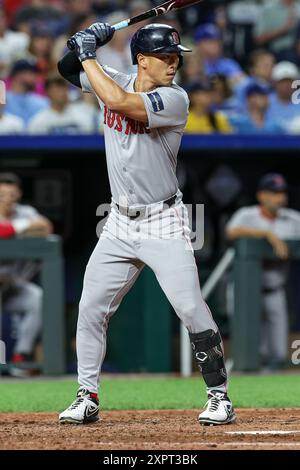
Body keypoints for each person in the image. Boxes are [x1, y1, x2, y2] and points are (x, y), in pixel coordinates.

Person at [57, 22, 235, 426]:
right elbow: (67, 71)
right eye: (165, 56)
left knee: (190, 307)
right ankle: (87, 396)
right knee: (90, 308)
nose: (174, 63)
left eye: (176, 57)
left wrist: (89, 53)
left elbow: (118, 102)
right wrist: (91, 38)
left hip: (163, 220)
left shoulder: (174, 99)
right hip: (118, 221)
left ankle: (219, 396)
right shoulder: (115, 77)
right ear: (142, 59)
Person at [226, 173, 300, 369]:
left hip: (275, 288)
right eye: (274, 193)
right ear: (262, 195)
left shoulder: (293, 218)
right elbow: (231, 231)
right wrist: (266, 234)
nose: (280, 197)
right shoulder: (246, 215)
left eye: (282, 193)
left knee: (278, 350)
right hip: (247, 291)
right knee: (248, 344)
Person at [0, 172, 53, 376]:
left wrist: (12, 228)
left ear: (18, 194)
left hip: (13, 284)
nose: (8, 199)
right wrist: (22, 229)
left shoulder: (25, 211)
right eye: (2, 194)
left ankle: (21, 356)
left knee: (37, 298)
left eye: (12, 194)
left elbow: (45, 227)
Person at [28, 74, 98, 134]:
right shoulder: (39, 121)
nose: (62, 92)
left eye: (64, 88)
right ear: (48, 91)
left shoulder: (81, 115)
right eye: (57, 89)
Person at [5, 59, 49, 127]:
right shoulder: (4, 100)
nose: (35, 77)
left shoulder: (42, 102)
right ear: (18, 75)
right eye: (31, 73)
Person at [267, 61, 300, 132]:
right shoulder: (266, 102)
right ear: (274, 83)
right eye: (282, 81)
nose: (286, 85)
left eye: (290, 81)